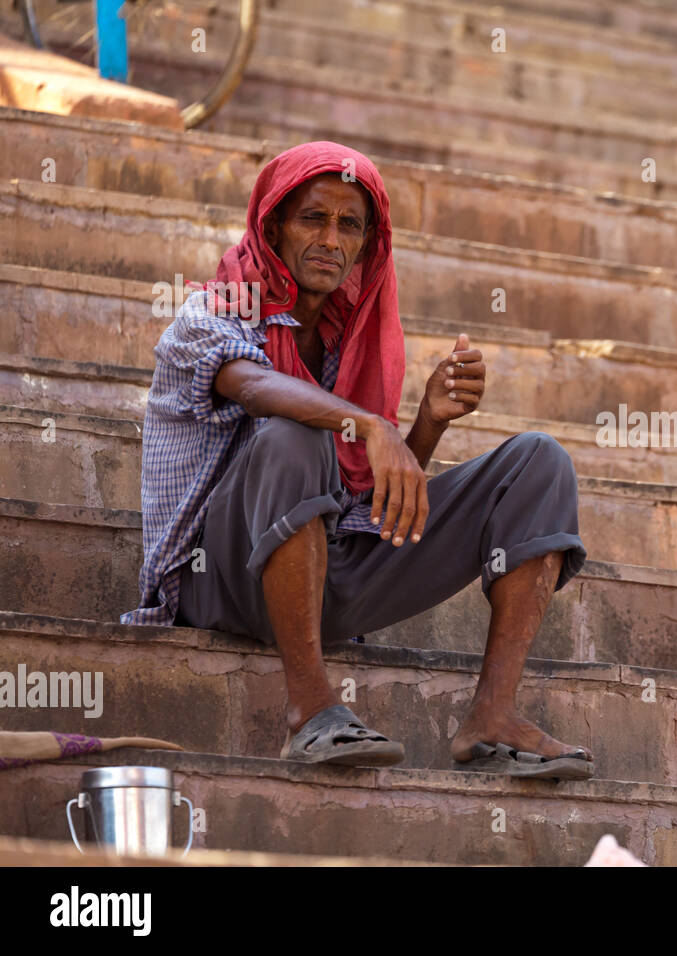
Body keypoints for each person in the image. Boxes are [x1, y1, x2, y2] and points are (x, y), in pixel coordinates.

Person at [121, 141, 594, 779]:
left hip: (325, 576)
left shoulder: (356, 340)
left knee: (539, 462)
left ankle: (492, 716)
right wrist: (366, 422)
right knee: (295, 432)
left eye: (350, 226)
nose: (331, 240)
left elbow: (367, 509)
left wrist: (423, 423)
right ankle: (311, 711)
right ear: (274, 225)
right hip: (220, 579)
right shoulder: (214, 309)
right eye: (313, 219)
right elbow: (256, 389)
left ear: (368, 246)